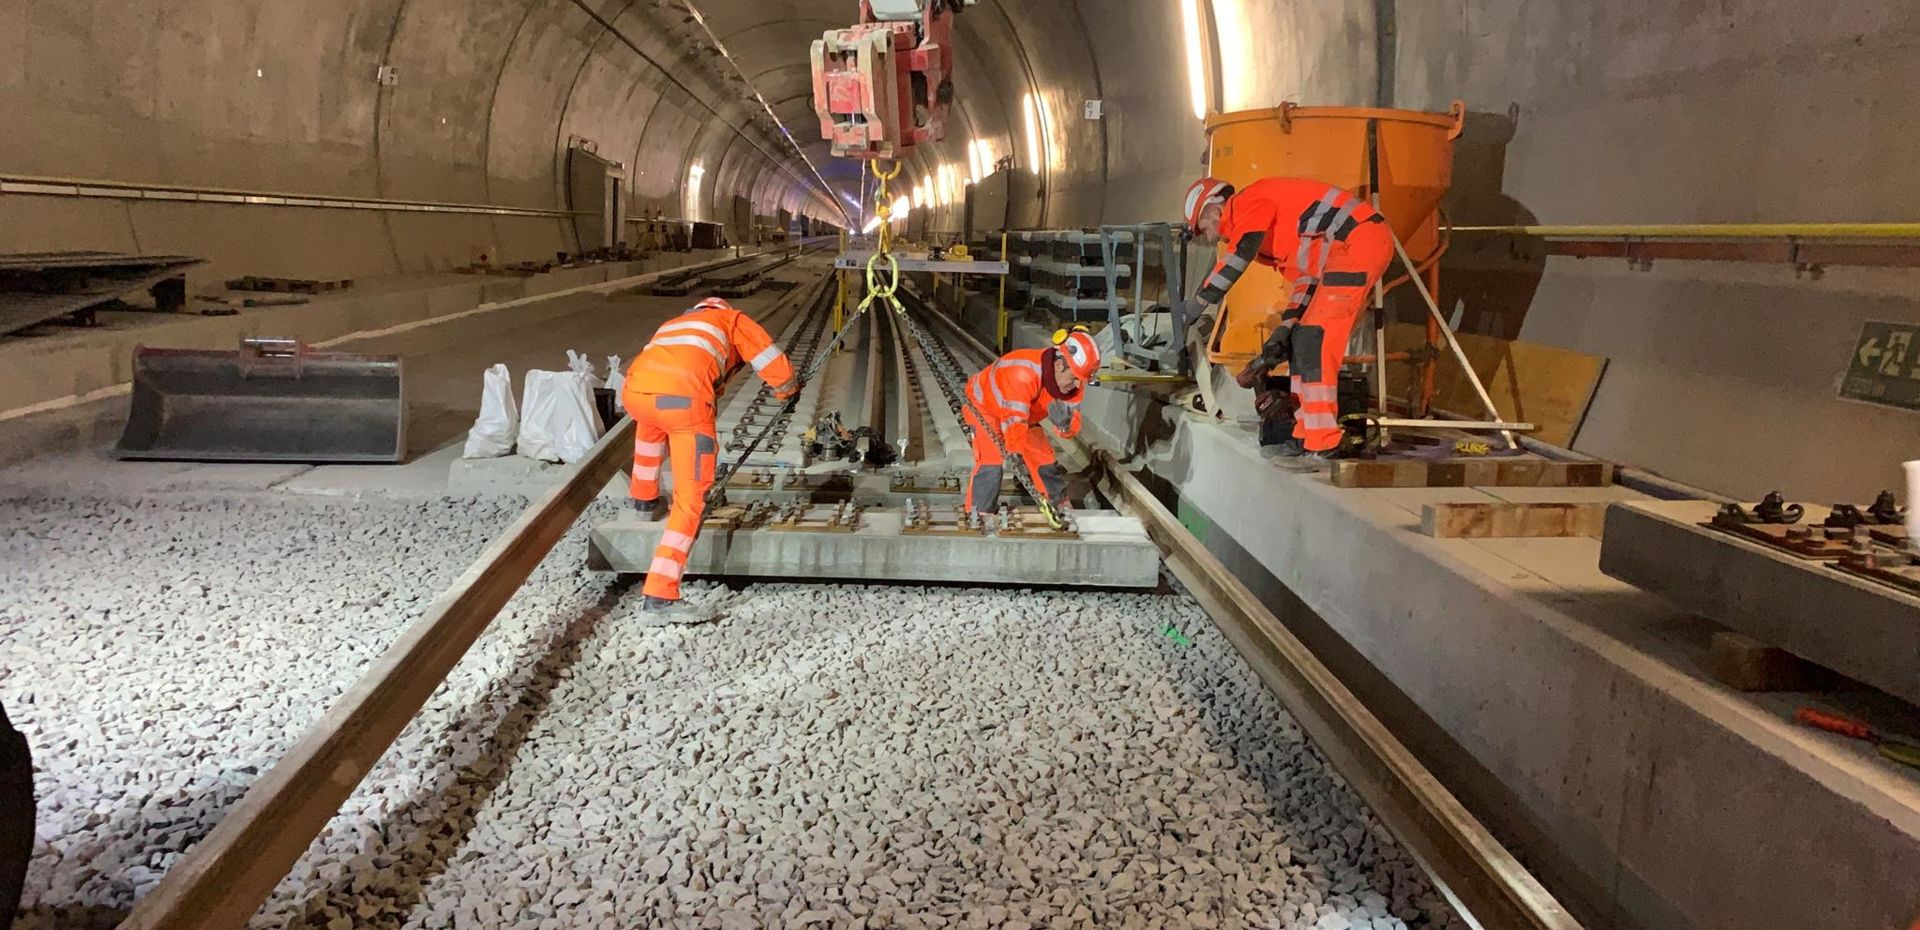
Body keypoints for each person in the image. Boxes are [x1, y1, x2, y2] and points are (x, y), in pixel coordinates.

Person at [1183, 175, 1396, 461]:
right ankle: (1307, 433)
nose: (1210, 238)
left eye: (1204, 229)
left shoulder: (1248, 204)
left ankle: (1324, 439)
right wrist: (1285, 328)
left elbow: (1239, 254)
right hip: (1345, 250)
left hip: (1358, 242)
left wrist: (1197, 303)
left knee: (1314, 338)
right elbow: (1306, 278)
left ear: (1214, 210)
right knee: (1301, 338)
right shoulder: (1274, 240)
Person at [621, 296, 799, 621]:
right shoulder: (731, 321)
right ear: (723, 309)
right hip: (685, 401)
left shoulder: (674, 323)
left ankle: (644, 502)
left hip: (636, 393)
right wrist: (787, 390)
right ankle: (660, 596)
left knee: (650, 437)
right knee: (691, 500)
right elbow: (768, 356)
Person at [964, 328, 1101, 514]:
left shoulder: (1074, 385)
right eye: (1075, 378)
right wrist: (1015, 451)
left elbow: (1070, 428)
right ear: (1059, 365)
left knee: (1044, 459)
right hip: (985, 409)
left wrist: (1064, 425)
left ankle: (1058, 505)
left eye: (1082, 380)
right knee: (991, 463)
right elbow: (1014, 421)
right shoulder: (1022, 372)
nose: (1078, 385)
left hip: (1025, 416)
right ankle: (978, 514)